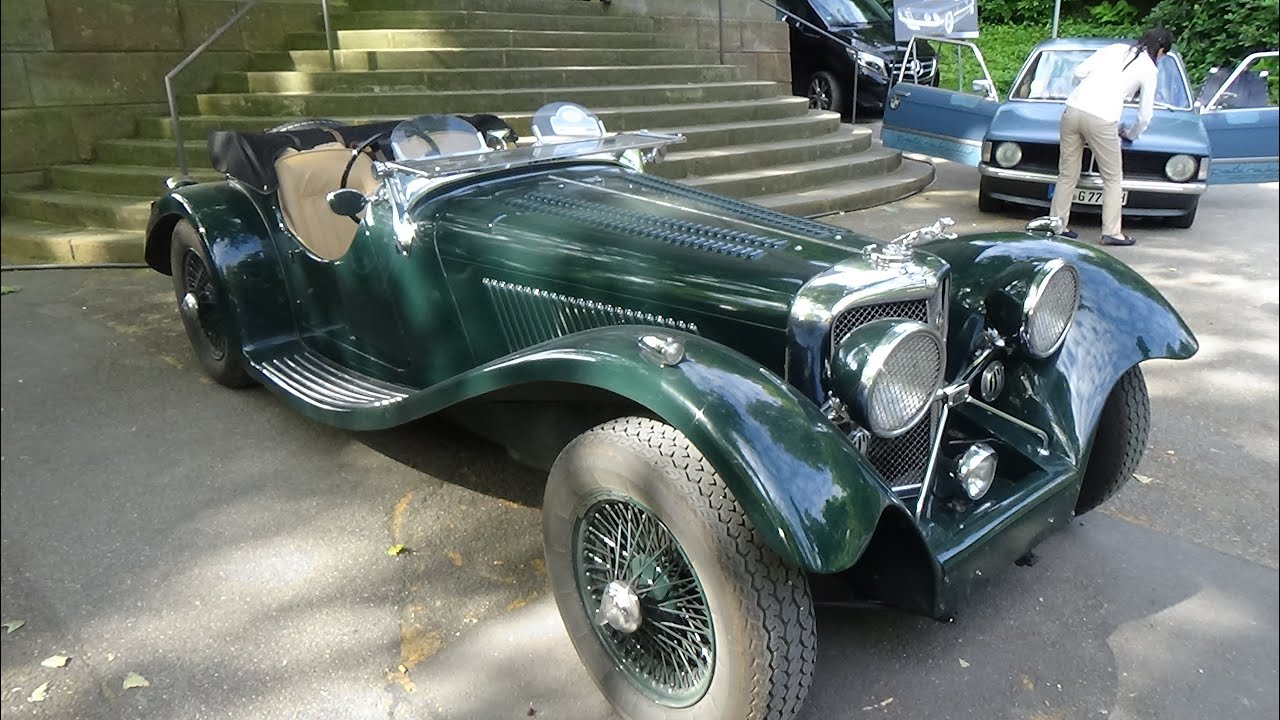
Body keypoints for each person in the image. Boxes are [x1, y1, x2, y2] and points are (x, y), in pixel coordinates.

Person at [1049, 27, 1175, 246]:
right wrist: (1132, 133)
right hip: (1103, 118)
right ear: (1161, 50)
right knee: (1112, 177)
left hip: (1072, 109)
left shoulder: (1115, 49)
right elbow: (1145, 114)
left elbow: (1078, 72)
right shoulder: (1149, 69)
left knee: (1067, 173)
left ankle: (1057, 225)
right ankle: (1111, 232)